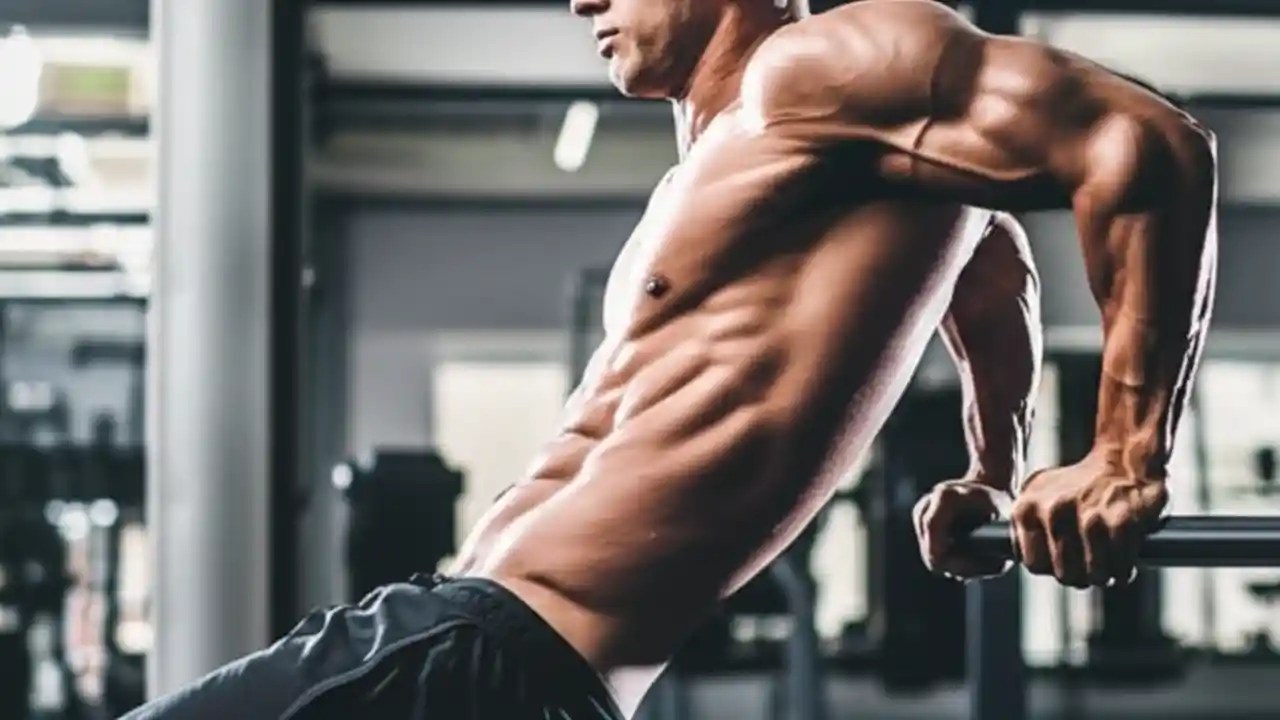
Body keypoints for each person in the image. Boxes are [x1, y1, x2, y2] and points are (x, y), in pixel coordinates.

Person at [124, 0, 1218, 718]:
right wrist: (997, 462)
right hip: (512, 656)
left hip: (485, 650)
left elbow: (1145, 147)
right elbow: (993, 267)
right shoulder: (758, 151)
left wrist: (1123, 454)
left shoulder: (823, 66)